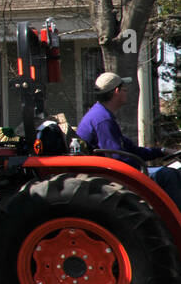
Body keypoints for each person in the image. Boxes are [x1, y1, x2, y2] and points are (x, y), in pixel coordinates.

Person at [77, 72, 181, 208]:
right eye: (124, 90)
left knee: (168, 173)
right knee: (169, 175)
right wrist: (142, 170)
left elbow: (131, 150)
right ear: (116, 91)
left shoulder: (102, 115)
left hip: (113, 172)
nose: (127, 93)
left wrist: (162, 151)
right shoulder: (103, 120)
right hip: (111, 178)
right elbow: (117, 158)